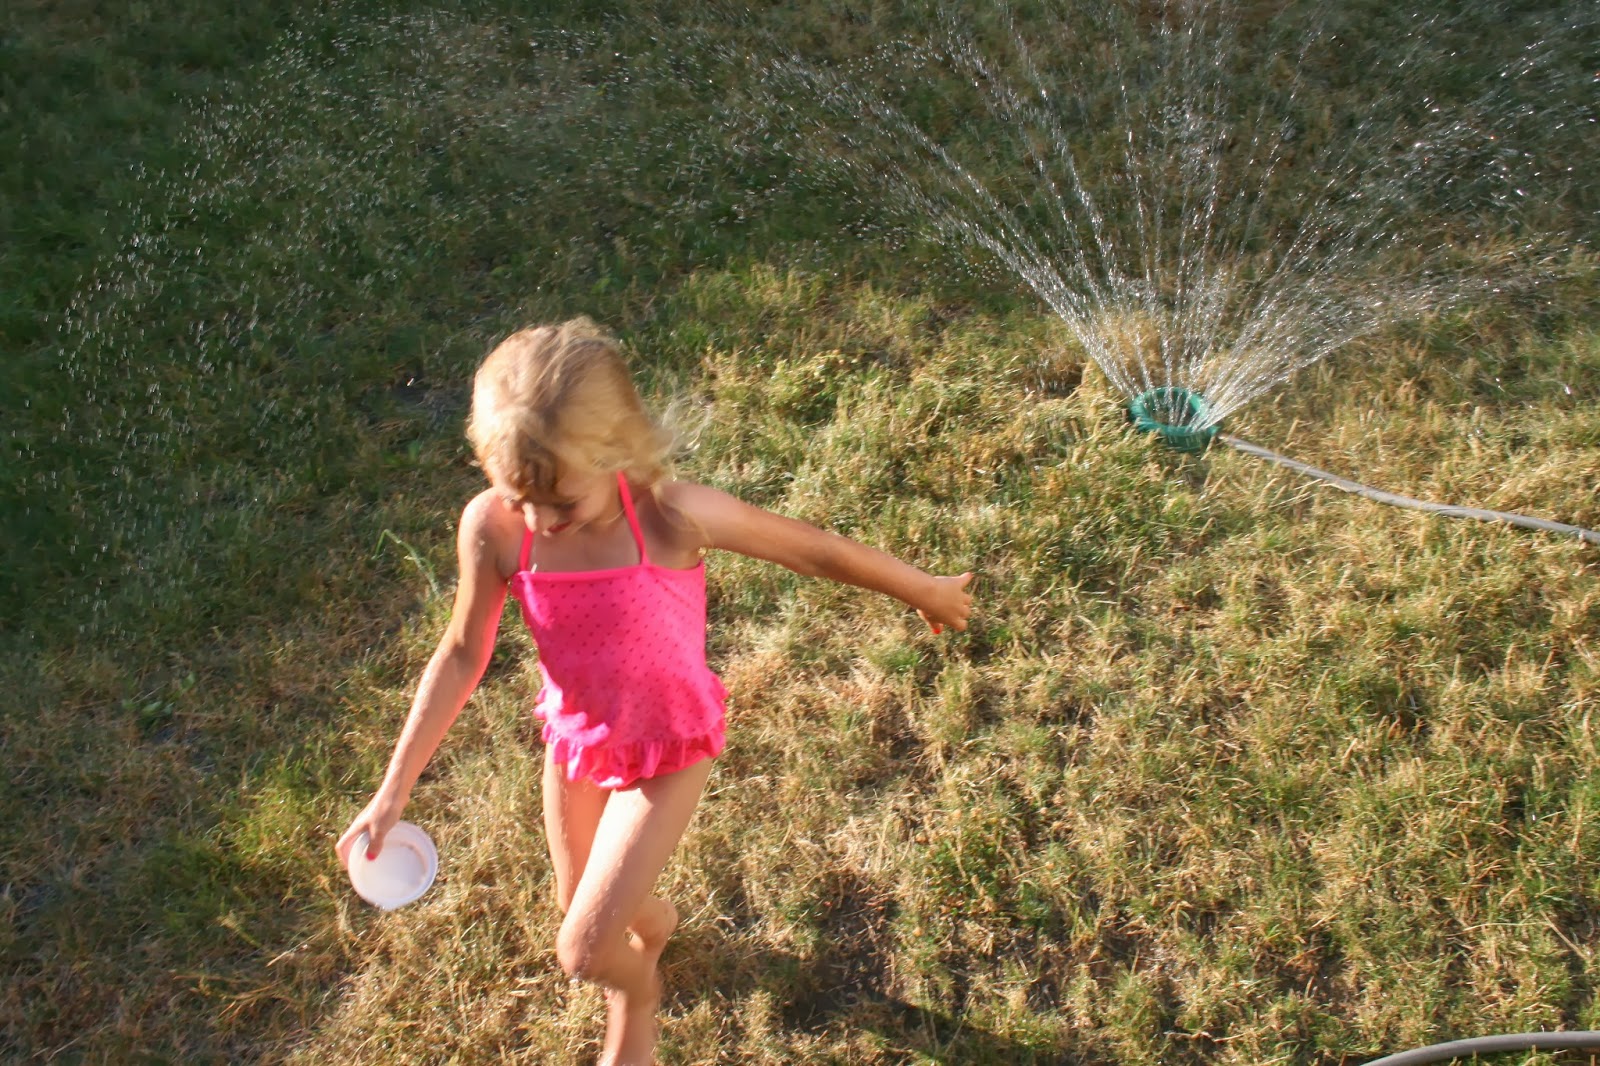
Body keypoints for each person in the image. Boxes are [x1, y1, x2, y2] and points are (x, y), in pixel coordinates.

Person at [336, 317, 974, 1065]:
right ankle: (653, 924)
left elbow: (815, 552)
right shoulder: (496, 527)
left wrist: (923, 588)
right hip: (577, 740)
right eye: (518, 496)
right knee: (579, 908)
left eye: (562, 503)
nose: (541, 519)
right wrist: (392, 791)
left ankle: (636, 997)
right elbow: (460, 652)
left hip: (670, 747)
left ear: (615, 454)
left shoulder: (671, 517)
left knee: (582, 950)